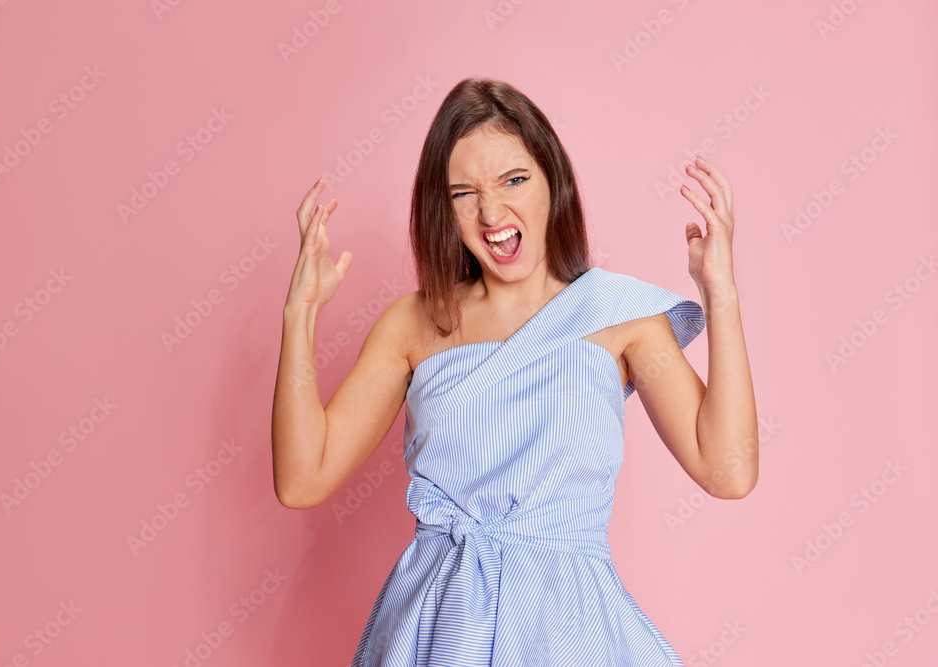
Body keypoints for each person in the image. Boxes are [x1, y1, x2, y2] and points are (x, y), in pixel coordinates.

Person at [272, 77, 758, 666]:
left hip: (570, 635)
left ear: (554, 181)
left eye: (514, 180)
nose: (491, 212)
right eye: (463, 193)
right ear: (443, 209)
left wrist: (720, 291)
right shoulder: (414, 324)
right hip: (437, 634)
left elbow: (728, 471)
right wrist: (300, 313)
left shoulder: (618, 315)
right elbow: (302, 480)